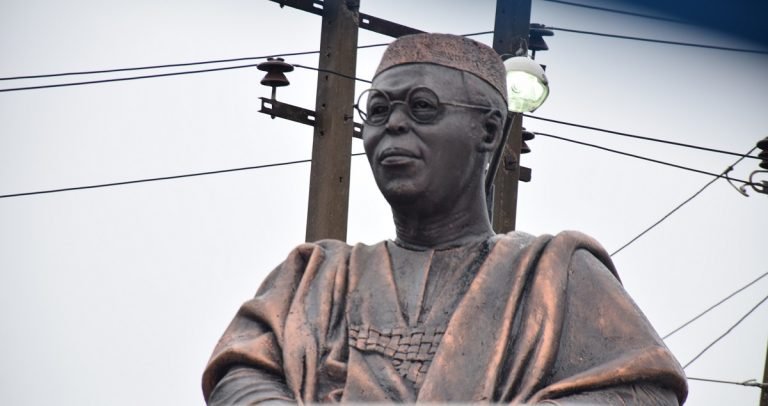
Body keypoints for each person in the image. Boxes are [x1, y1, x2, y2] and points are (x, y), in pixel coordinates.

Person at [202, 33, 688, 405]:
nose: (393, 124)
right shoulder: (316, 275)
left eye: (421, 108)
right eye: (378, 109)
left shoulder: (555, 274)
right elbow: (240, 371)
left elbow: (641, 390)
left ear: (489, 129)